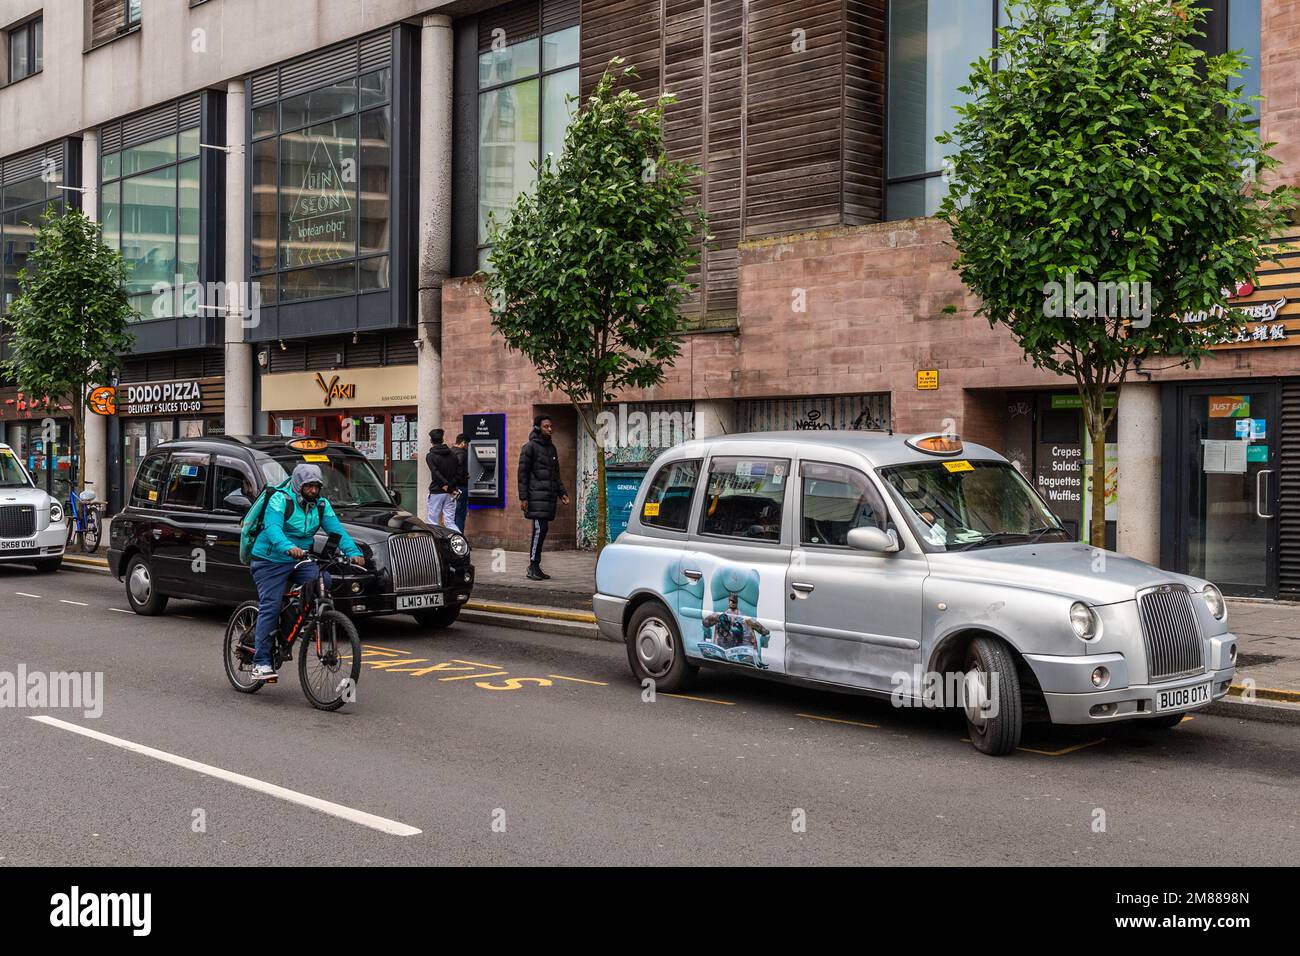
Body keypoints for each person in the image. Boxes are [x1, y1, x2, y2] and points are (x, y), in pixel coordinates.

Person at [248, 463, 365, 682]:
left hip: (300, 558)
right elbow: (272, 528)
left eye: (316, 486)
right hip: (269, 560)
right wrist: (287, 547)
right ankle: (260, 662)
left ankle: (298, 624)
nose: (313, 490)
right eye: (308, 486)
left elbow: (336, 531)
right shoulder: (281, 499)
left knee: (324, 581)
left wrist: (353, 553)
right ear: (298, 484)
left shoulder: (321, 505)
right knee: (271, 606)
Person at [517, 414, 569, 581]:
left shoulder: (551, 448)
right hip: (535, 497)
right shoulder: (529, 447)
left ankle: (535, 566)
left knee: (542, 530)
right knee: (540, 530)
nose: (550, 429)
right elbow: (522, 474)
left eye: (551, 426)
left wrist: (562, 493)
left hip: (548, 497)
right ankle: (532, 565)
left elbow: (555, 474)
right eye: (546, 426)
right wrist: (523, 497)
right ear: (538, 427)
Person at [425, 428, 463, 532]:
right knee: (450, 522)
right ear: (442, 439)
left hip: (437, 491)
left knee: (432, 522)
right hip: (451, 492)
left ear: (431, 441)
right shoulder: (453, 455)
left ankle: (433, 546)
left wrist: (445, 485)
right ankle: (460, 543)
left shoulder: (430, 456)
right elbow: (459, 473)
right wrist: (450, 487)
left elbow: (435, 473)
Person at [452, 433, 470, 534]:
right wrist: (465, 475)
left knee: (452, 515)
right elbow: (459, 468)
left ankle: (452, 539)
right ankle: (459, 540)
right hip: (460, 487)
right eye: (467, 444)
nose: (467, 447)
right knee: (460, 514)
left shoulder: (450, 451)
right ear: (463, 443)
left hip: (451, 488)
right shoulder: (462, 453)